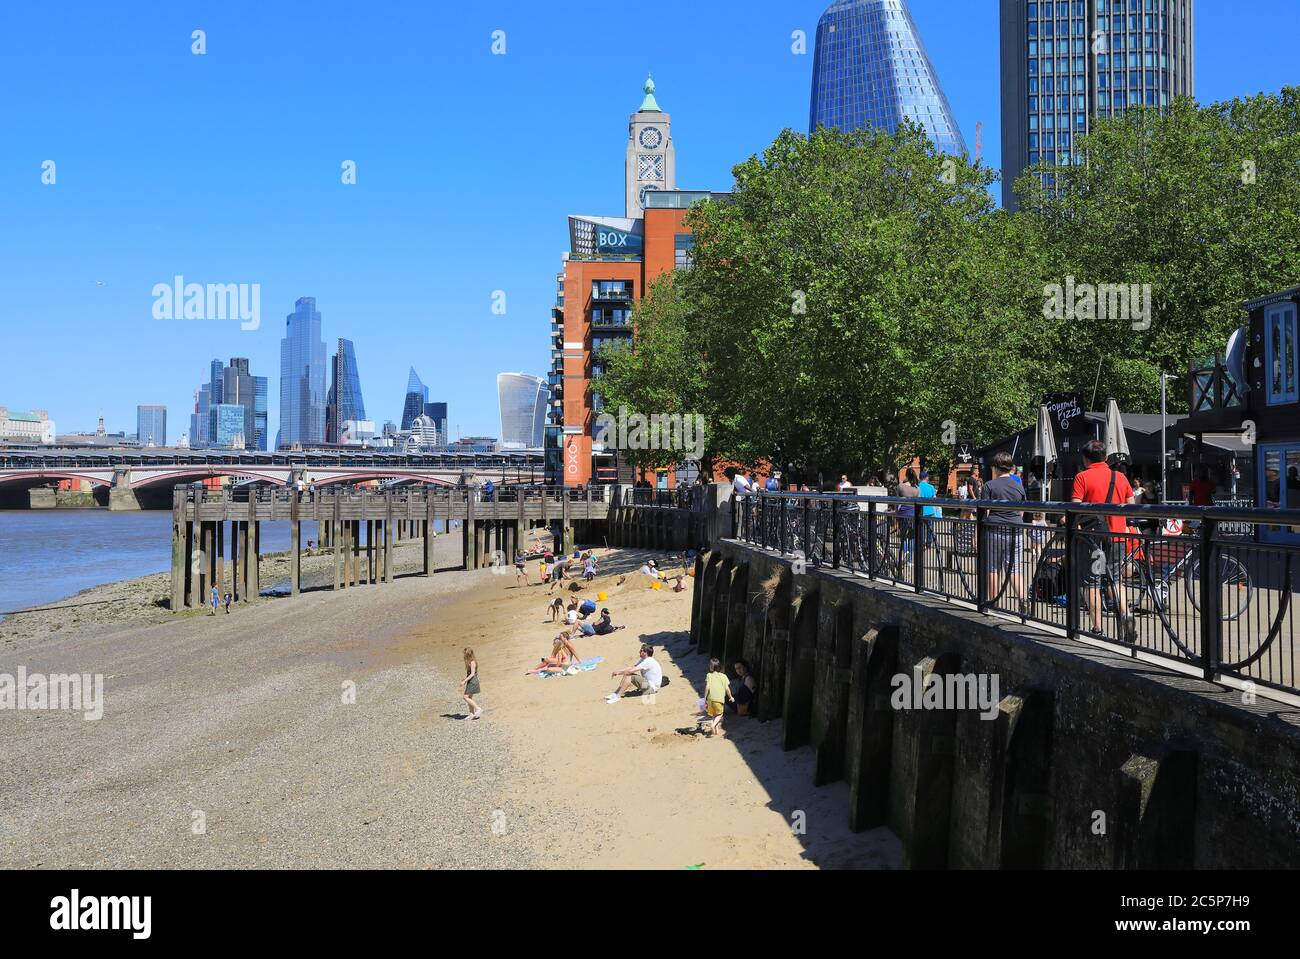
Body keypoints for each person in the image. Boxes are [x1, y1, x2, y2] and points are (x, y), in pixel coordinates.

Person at [1072, 439, 1137, 640]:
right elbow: (1131, 505)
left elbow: (1076, 507)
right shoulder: (1120, 477)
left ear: (1085, 459)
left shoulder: (1082, 477)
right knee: (1115, 579)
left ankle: (1097, 627)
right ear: (1106, 458)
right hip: (1117, 536)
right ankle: (1125, 615)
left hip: (1094, 540)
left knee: (1092, 582)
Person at [983, 451, 1027, 610]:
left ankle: (993, 602)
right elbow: (1022, 511)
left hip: (994, 529)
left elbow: (984, 510)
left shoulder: (989, 485)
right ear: (1010, 467)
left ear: (995, 468)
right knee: (1015, 568)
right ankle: (1023, 600)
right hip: (1015, 530)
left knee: (993, 567)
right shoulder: (1019, 486)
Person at [703, 658, 736, 736]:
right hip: (719, 699)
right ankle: (713, 725)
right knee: (720, 714)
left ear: (711, 667)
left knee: (714, 714)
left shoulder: (709, 675)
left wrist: (705, 698)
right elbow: (727, 688)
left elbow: (707, 687)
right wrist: (731, 697)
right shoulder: (724, 676)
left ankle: (715, 732)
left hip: (710, 699)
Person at [461, 648, 482, 719]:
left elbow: (472, 674)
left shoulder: (472, 662)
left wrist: (464, 681)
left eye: (465, 654)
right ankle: (471, 714)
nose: (464, 656)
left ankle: (478, 708)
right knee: (469, 697)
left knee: (465, 697)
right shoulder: (470, 662)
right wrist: (465, 679)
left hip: (473, 681)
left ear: (468, 655)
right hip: (471, 681)